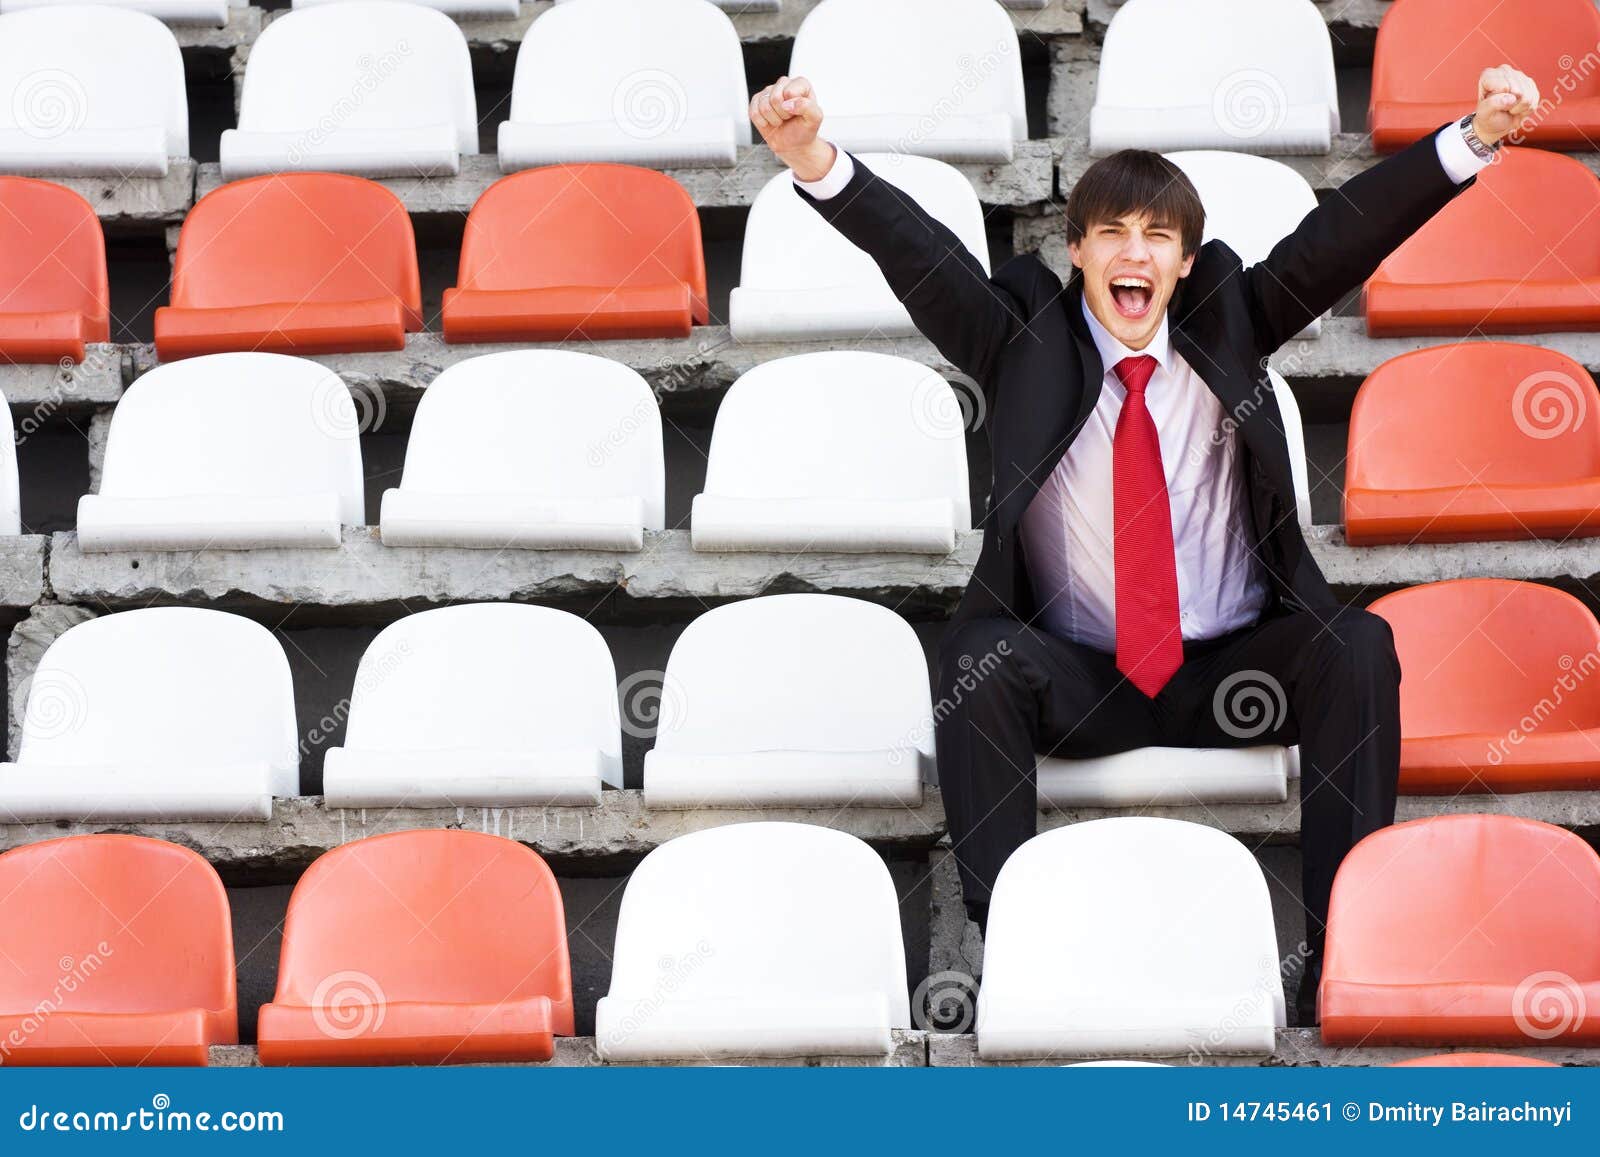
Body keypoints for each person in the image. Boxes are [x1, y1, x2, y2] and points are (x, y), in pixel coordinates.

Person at [748, 64, 1540, 1023]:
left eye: (1158, 237)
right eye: (1113, 233)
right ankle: (1021, 954)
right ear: (1077, 249)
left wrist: (1473, 136)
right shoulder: (1021, 336)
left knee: (1358, 645)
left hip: (1234, 672)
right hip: (1081, 680)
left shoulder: (1232, 319)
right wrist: (814, 161)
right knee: (977, 658)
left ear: (1184, 261)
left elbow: (1344, 234)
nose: (1136, 253)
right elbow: (925, 259)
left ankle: (1345, 951)